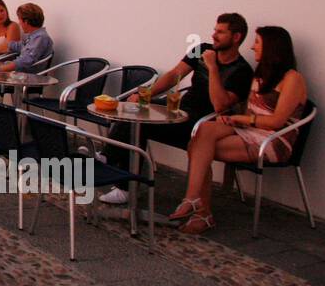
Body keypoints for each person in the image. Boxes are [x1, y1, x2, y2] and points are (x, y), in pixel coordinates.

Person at [99, 12, 254, 205]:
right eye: (214, 30)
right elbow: (175, 75)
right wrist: (146, 94)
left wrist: (213, 67)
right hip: (181, 108)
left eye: (220, 32)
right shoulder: (201, 49)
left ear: (236, 37)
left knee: (142, 124)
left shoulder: (242, 71)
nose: (213, 35)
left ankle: (118, 177)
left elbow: (220, 105)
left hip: (202, 122)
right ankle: (109, 160)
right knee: (133, 111)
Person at [169, 26, 307, 234]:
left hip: (272, 140)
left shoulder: (292, 79)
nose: (252, 47)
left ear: (273, 47)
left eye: (258, 42)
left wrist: (241, 118)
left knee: (197, 149)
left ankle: (200, 210)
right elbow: (247, 108)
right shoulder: (261, 75)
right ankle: (195, 202)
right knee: (204, 131)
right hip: (249, 130)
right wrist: (231, 117)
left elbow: (277, 121)